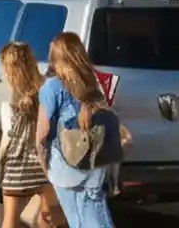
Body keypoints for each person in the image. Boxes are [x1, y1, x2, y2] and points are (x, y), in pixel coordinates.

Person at [36, 33, 117, 228]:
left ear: (54, 57)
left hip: (65, 165)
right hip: (94, 163)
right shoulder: (94, 82)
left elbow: (43, 131)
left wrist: (42, 159)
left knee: (77, 221)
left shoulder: (52, 86)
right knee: (96, 218)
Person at [0, 42, 61, 228]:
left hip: (16, 167)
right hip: (43, 165)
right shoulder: (46, 89)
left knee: (10, 220)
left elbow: (6, 141)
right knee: (49, 216)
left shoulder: (10, 101)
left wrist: (1, 160)